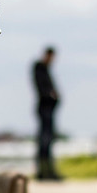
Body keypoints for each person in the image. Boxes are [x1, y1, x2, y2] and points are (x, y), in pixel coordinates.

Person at [32, 46, 60, 180]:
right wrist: (51, 96)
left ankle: (48, 171)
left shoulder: (45, 69)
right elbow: (43, 89)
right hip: (45, 109)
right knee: (44, 140)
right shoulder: (39, 68)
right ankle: (43, 172)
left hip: (48, 109)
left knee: (48, 140)